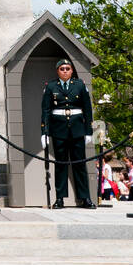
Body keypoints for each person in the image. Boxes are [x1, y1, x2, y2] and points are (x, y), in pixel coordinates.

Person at [40, 57, 96, 209]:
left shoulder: (79, 85)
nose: (65, 71)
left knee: (80, 164)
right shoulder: (51, 86)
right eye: (62, 69)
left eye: (67, 69)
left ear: (72, 70)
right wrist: (44, 132)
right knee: (61, 165)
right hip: (59, 130)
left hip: (77, 129)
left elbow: (87, 109)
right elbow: (45, 110)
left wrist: (89, 131)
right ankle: (60, 199)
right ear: (57, 71)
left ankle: (85, 198)